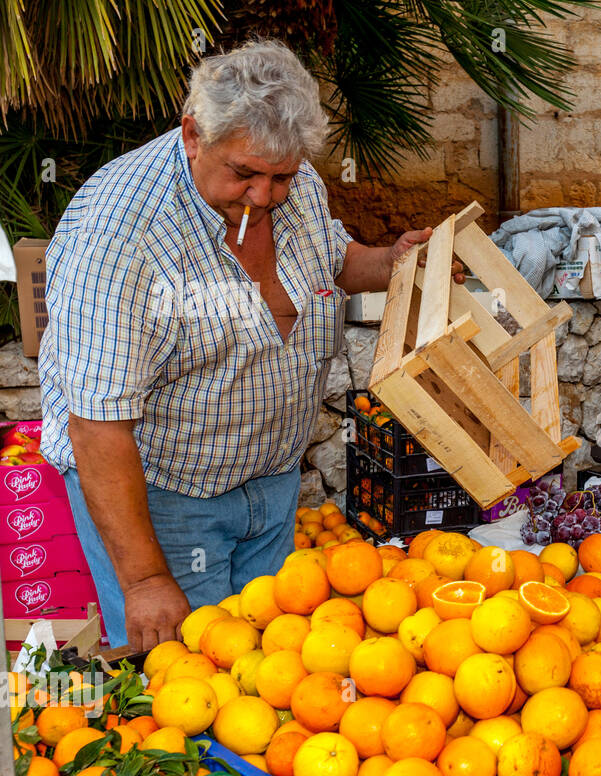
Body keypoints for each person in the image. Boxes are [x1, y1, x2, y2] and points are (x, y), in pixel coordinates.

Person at [37, 40, 433, 653]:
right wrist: (144, 580)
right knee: (192, 697)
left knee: (271, 679)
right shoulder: (118, 237)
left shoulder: (288, 180)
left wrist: (391, 262)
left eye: (282, 177)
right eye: (244, 174)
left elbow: (326, 258)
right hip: (165, 500)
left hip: (271, 485)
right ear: (193, 135)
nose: (264, 195)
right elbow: (97, 425)